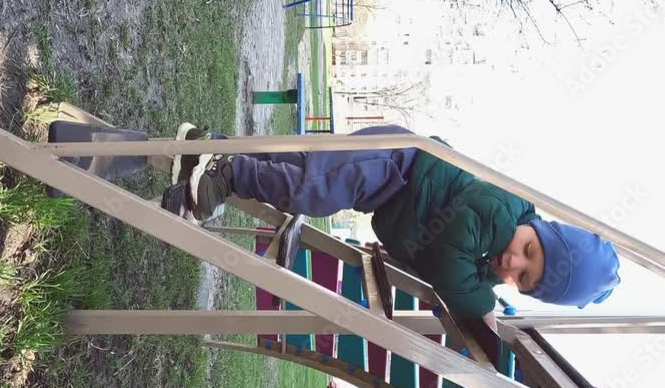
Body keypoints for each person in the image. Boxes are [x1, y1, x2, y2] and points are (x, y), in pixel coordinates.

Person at [161, 123, 621, 326]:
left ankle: (205, 149)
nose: (512, 260)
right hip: (398, 161)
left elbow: (451, 269)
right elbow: (447, 257)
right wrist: (481, 305)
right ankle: (228, 172)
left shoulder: (486, 261)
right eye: (530, 252)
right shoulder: (504, 209)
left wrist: (483, 291)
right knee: (311, 193)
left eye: (522, 277)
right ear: (540, 230)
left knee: (298, 168)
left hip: (387, 185)